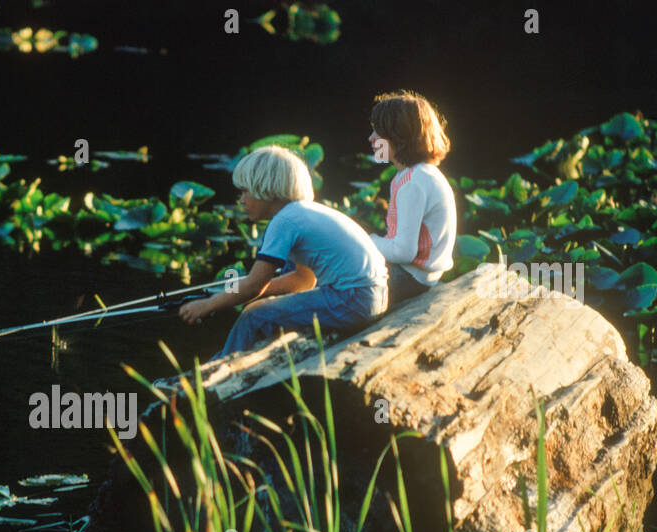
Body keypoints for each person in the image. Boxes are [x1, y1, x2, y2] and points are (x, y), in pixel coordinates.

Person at [179, 145, 387, 360]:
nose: (241, 200)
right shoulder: (304, 213)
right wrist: (234, 292)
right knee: (261, 308)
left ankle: (216, 375)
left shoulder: (284, 221)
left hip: (353, 299)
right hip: (374, 296)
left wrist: (208, 305)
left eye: (245, 191)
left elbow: (254, 286)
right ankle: (229, 360)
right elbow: (303, 280)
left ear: (266, 189)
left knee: (254, 316)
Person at [366, 91, 456, 306]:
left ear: (398, 137)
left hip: (412, 278)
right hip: (421, 276)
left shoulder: (413, 182)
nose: (371, 138)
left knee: (338, 278)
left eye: (377, 132)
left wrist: (368, 241)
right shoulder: (420, 174)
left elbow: (403, 252)